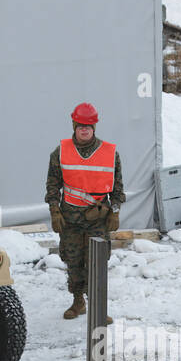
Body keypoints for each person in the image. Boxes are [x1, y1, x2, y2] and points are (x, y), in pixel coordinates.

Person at [45, 102, 124, 320]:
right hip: (70, 219)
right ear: (74, 125)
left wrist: (115, 211)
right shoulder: (60, 152)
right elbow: (52, 185)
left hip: (97, 219)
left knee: (97, 263)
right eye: (80, 125)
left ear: (94, 127)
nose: (84, 129)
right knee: (73, 261)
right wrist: (54, 211)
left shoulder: (110, 153)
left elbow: (118, 188)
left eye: (88, 126)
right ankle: (78, 301)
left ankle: (98, 307)